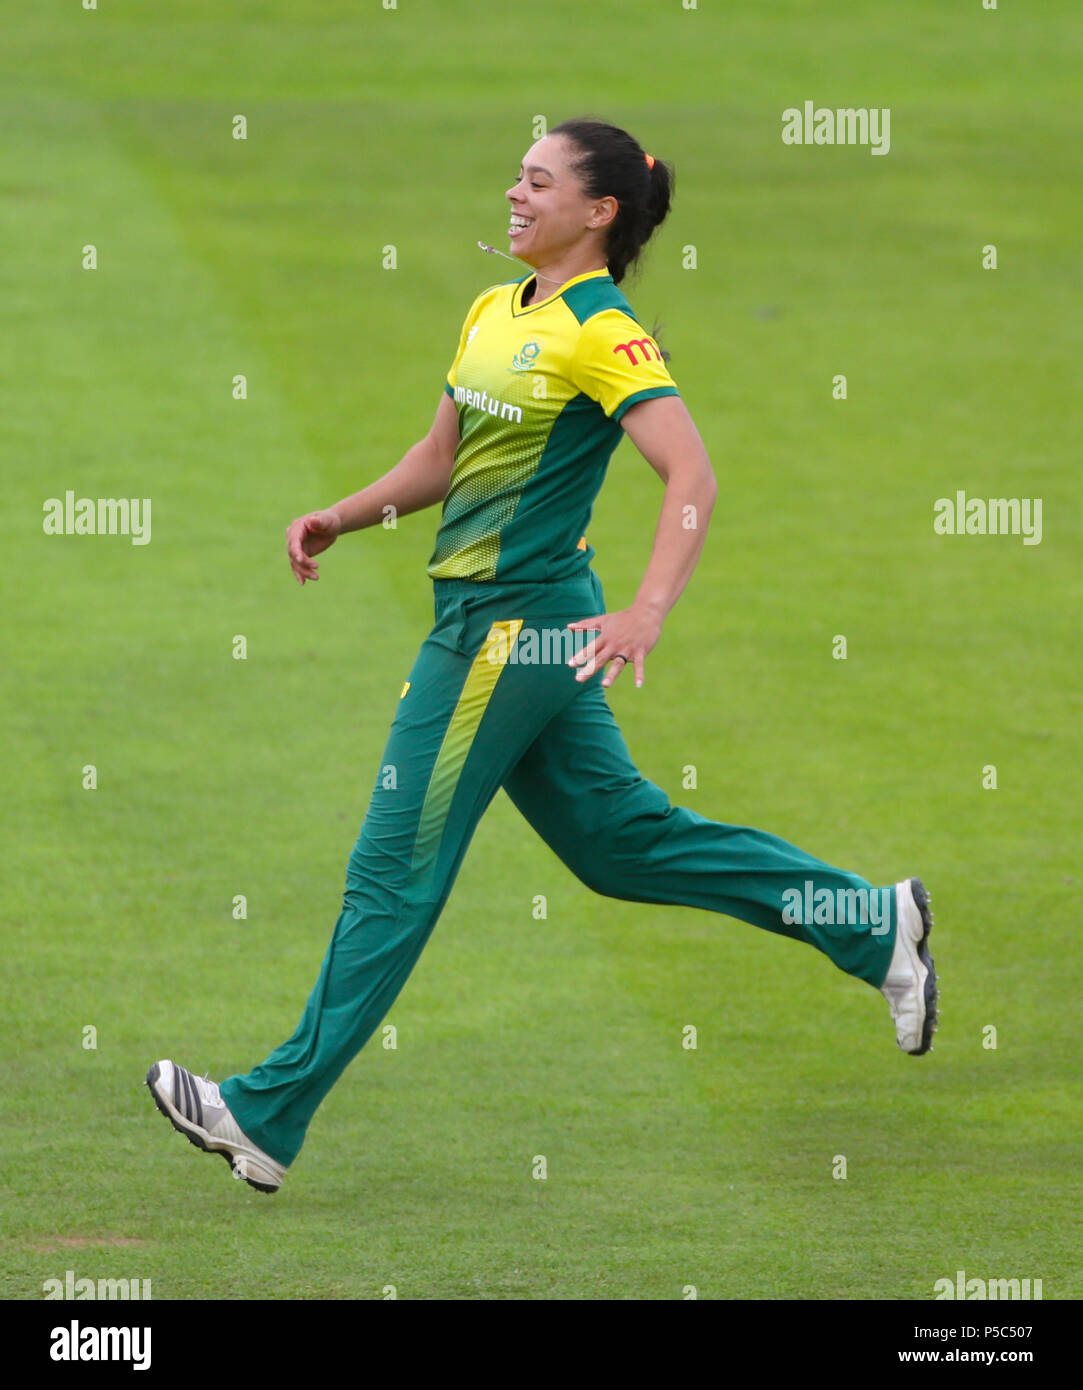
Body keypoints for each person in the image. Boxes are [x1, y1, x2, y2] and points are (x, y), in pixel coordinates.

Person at [146, 117, 938, 1193]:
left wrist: (649, 610)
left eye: (537, 182)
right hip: (505, 618)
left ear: (598, 212)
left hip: (510, 632)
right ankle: (869, 919)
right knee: (620, 843)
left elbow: (691, 476)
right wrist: (346, 513)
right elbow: (443, 453)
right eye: (515, 178)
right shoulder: (493, 309)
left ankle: (265, 1111)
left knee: (394, 866)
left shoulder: (602, 332)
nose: (514, 196)